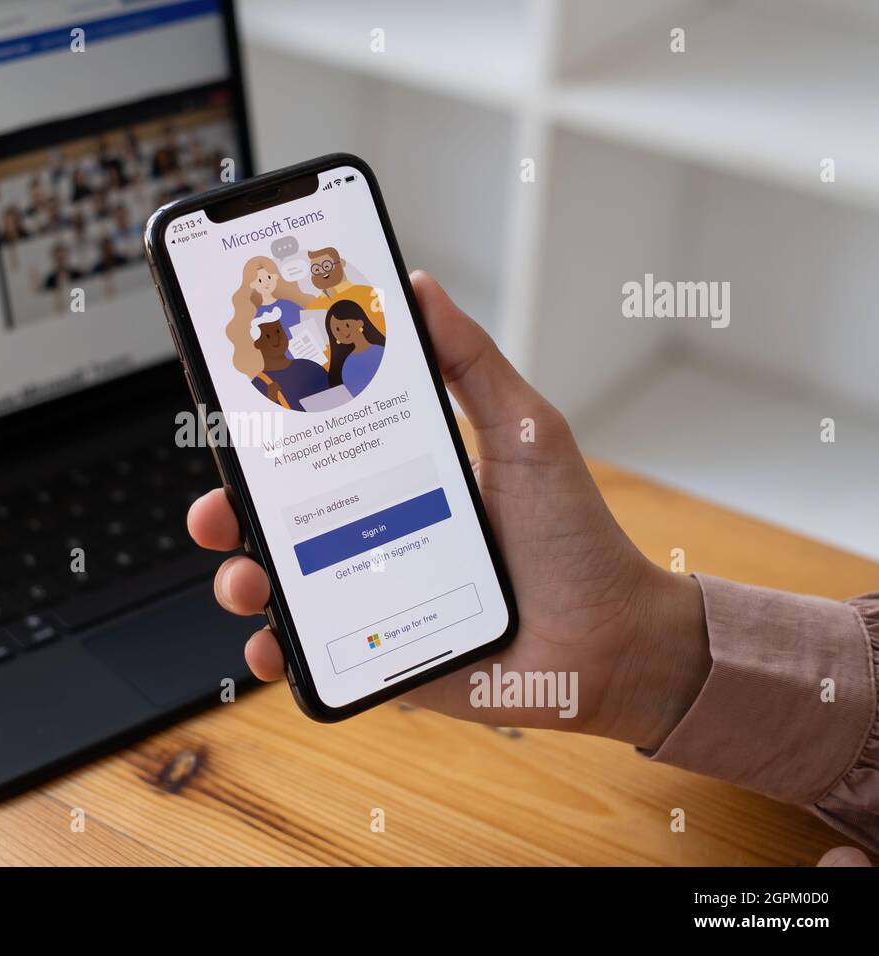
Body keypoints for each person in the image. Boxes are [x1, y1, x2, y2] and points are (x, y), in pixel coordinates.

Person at [188, 270, 878, 861]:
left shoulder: (341, 373)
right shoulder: (289, 384)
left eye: (332, 331)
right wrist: (639, 653)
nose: (310, 341)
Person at [247, 316, 328, 409]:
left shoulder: (310, 367)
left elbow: (335, 397)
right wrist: (271, 401)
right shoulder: (258, 385)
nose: (276, 339)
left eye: (278, 331)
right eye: (267, 336)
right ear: (257, 344)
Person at [305, 246, 384, 335]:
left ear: (341, 263)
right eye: (316, 269)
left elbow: (382, 328)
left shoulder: (367, 293)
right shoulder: (314, 307)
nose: (322, 272)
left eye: (327, 266)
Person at [324, 299, 385, 396]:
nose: (343, 332)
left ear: (359, 322)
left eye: (347, 325)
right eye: (337, 329)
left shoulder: (380, 351)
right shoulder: (345, 365)